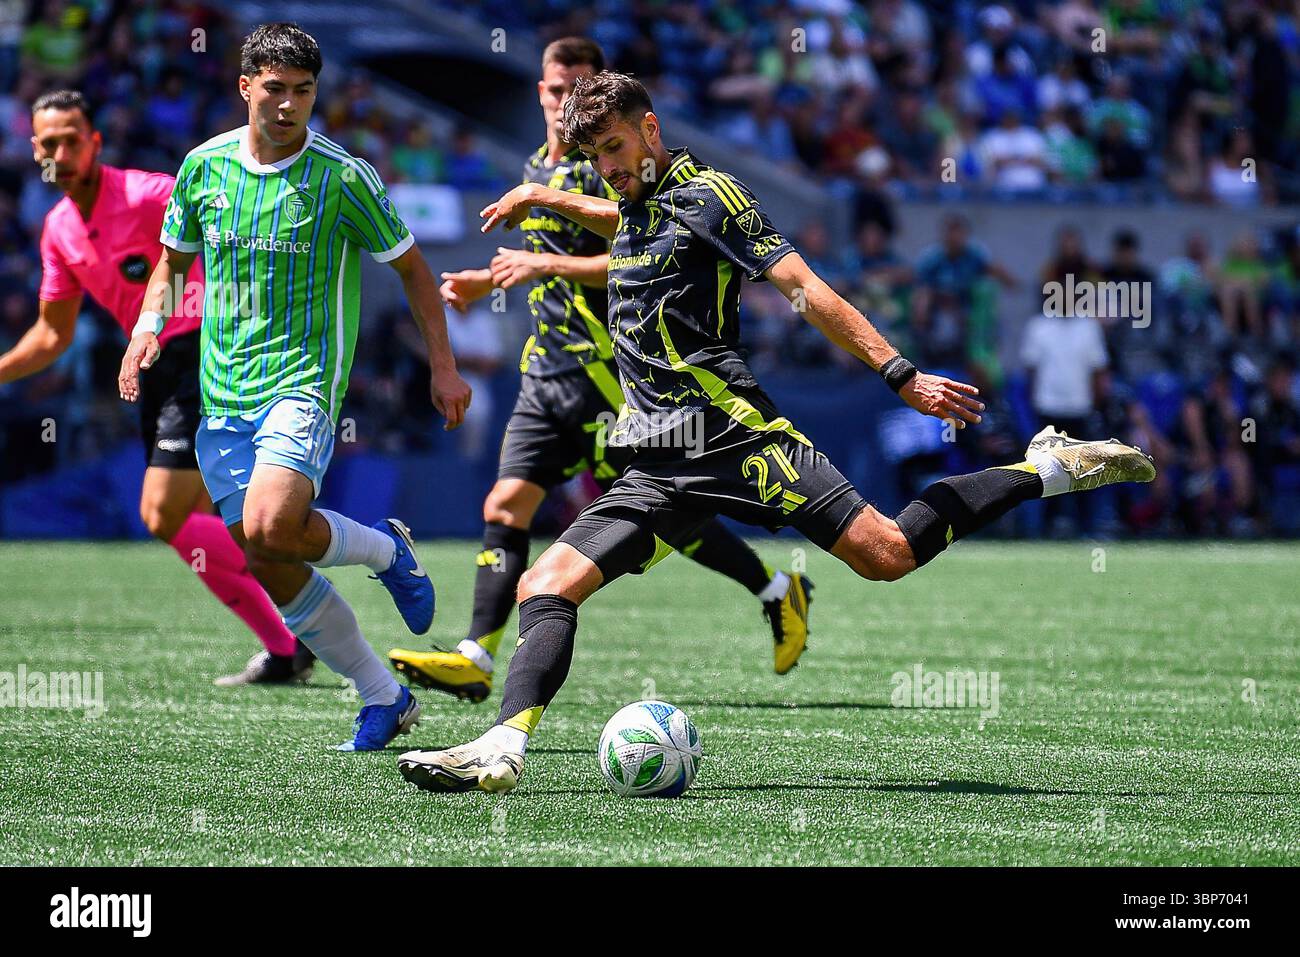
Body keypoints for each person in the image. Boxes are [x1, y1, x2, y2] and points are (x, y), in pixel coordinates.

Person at [397, 72, 1157, 793]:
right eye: (594, 158)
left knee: (887, 555)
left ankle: (1046, 467)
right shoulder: (631, 202)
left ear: (650, 131)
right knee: (546, 583)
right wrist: (542, 210)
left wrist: (901, 374)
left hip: (736, 435)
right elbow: (618, 230)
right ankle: (500, 747)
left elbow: (805, 288)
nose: (606, 170)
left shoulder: (712, 196)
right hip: (656, 457)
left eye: (616, 152)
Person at [388, 39, 814, 705]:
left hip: (611, 373)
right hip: (544, 369)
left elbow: (634, 258)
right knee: (505, 505)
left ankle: (776, 587)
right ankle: (475, 653)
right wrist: (485, 279)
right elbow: (538, 264)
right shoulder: (537, 164)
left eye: (582, 91)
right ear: (540, 92)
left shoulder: (607, 171)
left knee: (663, 512)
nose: (569, 106)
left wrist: (545, 264)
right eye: (559, 92)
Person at [117, 22, 472, 751]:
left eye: (302, 91)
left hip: (301, 386)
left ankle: (384, 550)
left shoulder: (344, 177)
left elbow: (412, 270)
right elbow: (172, 263)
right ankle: (384, 695)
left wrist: (443, 364)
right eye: (273, 89)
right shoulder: (203, 168)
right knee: (265, 553)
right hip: (221, 392)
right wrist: (147, 326)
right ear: (245, 85)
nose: (287, 105)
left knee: (275, 526)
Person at [0, 88, 311, 687]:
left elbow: (233, 220)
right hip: (154, 367)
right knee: (210, 521)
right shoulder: (58, 229)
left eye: (72, 140)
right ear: (35, 150)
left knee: (162, 513)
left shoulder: (148, 193)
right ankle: (288, 641)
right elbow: (51, 334)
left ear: (94, 142)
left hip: (208, 352)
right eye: (49, 144)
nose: (60, 153)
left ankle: (299, 621)